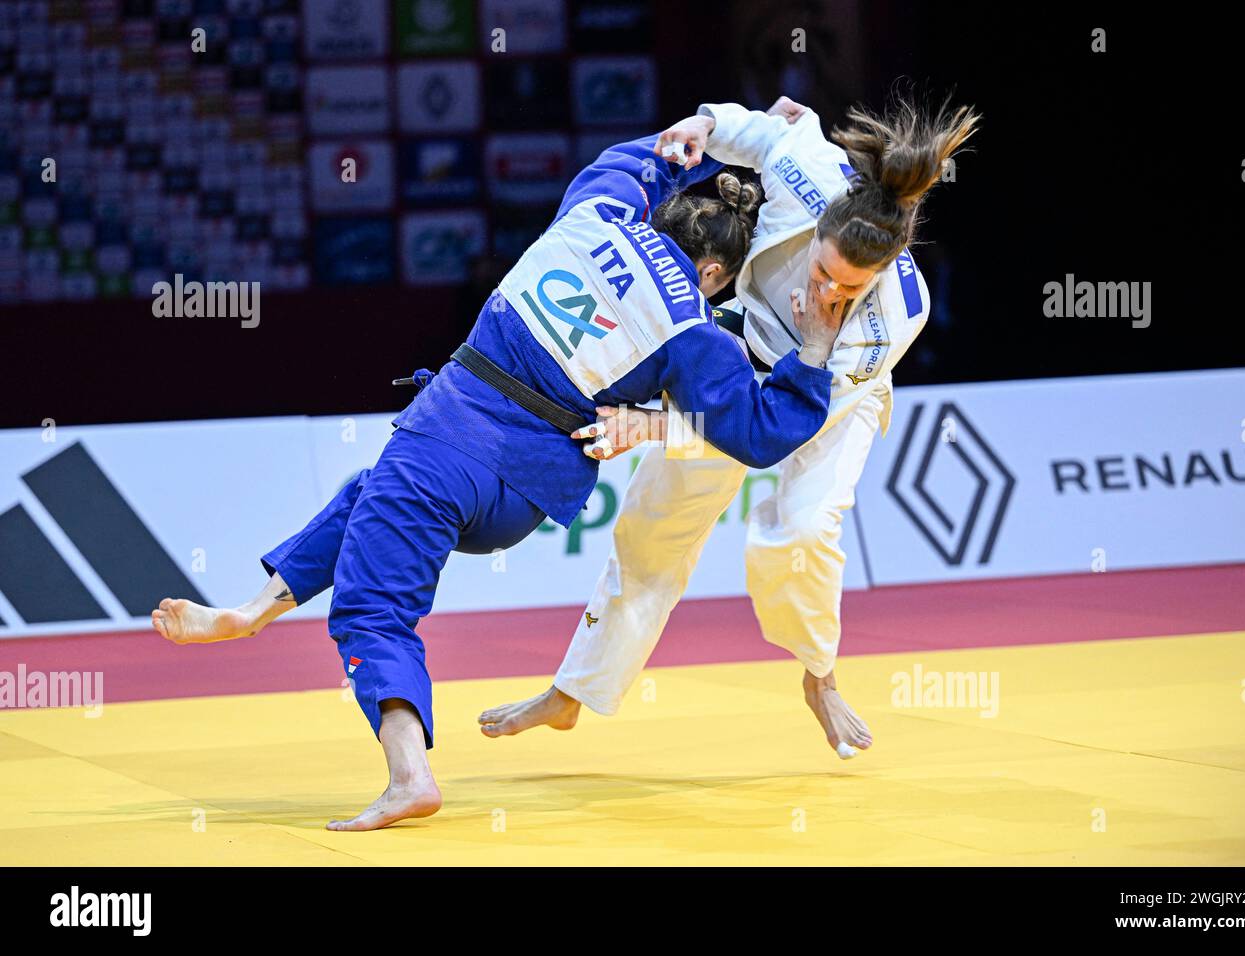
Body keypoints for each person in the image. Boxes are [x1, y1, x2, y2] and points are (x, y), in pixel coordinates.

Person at [151, 132, 849, 830]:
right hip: (522, 494)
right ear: (713, 274)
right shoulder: (695, 329)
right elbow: (759, 434)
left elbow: (633, 161)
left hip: (451, 438)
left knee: (371, 610)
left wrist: (687, 145)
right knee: (367, 499)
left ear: (660, 217)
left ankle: (408, 776)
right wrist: (814, 347)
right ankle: (251, 611)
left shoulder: (598, 212)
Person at [478, 94, 978, 757]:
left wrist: (655, 428)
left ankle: (820, 677)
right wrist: (704, 124)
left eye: (848, 289)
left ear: (880, 275)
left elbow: (775, 430)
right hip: (741, 363)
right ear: (818, 224)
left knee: (800, 531)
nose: (829, 291)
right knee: (650, 529)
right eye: (824, 270)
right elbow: (761, 131)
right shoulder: (811, 174)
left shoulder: (895, 317)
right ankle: (571, 693)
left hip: (825, 398)